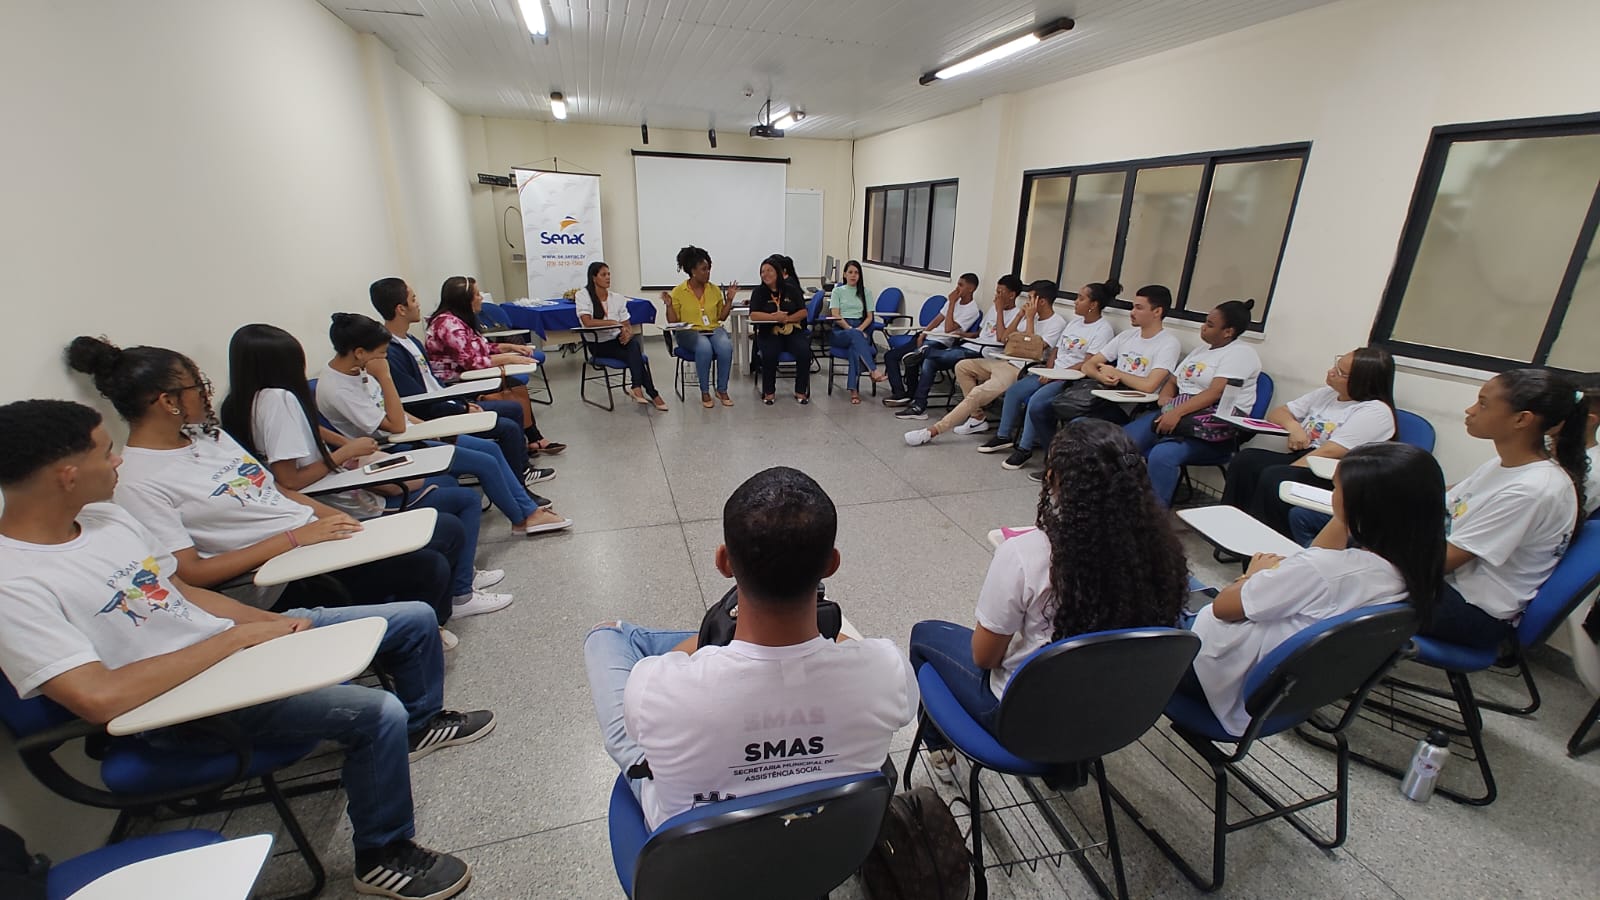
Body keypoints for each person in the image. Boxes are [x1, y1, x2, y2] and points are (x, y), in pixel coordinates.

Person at [0, 399, 493, 900]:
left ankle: (420, 726)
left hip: (227, 647)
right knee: (374, 712)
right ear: (66, 474)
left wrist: (273, 624)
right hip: (180, 707)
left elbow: (184, 596)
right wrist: (233, 641)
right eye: (106, 453)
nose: (119, 462)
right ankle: (382, 854)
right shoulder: (13, 582)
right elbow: (97, 698)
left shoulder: (106, 519)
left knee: (410, 619)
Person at [66, 335, 509, 631]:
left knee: (440, 529)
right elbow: (193, 573)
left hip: (314, 535)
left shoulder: (209, 437)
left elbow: (275, 490)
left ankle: (421, 622)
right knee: (433, 554)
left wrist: (331, 515)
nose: (203, 393)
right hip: (282, 570)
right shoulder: (138, 480)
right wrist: (300, 535)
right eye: (193, 387)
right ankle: (410, 633)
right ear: (167, 402)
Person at [582, 466, 917, 829]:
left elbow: (642, 709)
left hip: (697, 861)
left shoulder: (655, 687)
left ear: (724, 562)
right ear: (831, 565)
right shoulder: (888, 671)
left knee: (610, 637)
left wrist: (714, 638)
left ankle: (723, 631)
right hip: (824, 845)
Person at [906, 419, 1189, 764]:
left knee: (925, 636)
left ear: (1055, 480)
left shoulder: (1028, 554)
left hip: (1023, 722)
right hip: (1110, 718)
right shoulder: (1164, 549)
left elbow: (985, 658)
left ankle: (939, 747)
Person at [1185, 442, 1445, 737]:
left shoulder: (1323, 570)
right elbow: (1321, 562)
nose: (1331, 495)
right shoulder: (1410, 571)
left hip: (1209, 673)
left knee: (1167, 579)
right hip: (1278, 695)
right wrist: (1347, 512)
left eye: (1336, 489)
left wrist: (1251, 575)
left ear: (1362, 504)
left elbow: (1223, 608)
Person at [312, 314, 573, 536]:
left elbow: (399, 415)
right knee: (484, 461)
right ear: (360, 353)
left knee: (490, 451)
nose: (384, 359)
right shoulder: (337, 388)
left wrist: (429, 429)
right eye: (381, 354)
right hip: (389, 450)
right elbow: (394, 426)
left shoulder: (354, 371)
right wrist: (385, 376)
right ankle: (523, 518)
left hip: (411, 435)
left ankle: (526, 512)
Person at [1418, 369, 1586, 649]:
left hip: (1471, 610)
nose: (1470, 410)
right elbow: (1441, 503)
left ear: (1522, 419)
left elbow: (1440, 562)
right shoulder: (1503, 465)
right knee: (1334, 548)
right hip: (1448, 583)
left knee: (1342, 579)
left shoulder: (1532, 490)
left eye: (1483, 404)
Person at [371, 276, 559, 486]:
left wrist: (509, 348)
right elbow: (422, 399)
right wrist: (461, 407)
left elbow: (476, 352)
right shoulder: (396, 350)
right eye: (413, 299)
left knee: (514, 405)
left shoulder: (412, 340)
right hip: (445, 400)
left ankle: (522, 464)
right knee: (509, 419)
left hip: (447, 397)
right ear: (401, 309)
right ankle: (520, 471)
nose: (419, 303)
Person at [1223, 347, 1395, 536]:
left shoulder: (1375, 412)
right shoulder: (1326, 394)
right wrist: (1294, 428)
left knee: (1275, 477)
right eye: (1336, 366)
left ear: (1363, 382)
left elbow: (1331, 452)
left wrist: (1291, 470)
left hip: (1335, 474)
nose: (1331, 372)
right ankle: (1231, 525)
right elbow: (1278, 413)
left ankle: (1266, 541)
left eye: (1340, 372)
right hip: (1307, 457)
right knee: (1246, 460)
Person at [1123, 300, 1262, 506]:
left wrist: (1176, 413)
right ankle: (1118, 502)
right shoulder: (1201, 351)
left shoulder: (1241, 354)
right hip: (1180, 412)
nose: (1203, 327)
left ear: (1228, 332)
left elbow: (1215, 393)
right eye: (1205, 322)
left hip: (1213, 425)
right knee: (1122, 441)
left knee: (1163, 455)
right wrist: (1166, 399)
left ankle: (1153, 518)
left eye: (1210, 324)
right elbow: (1172, 380)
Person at [904, 280, 1067, 446]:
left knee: (976, 394)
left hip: (1021, 369)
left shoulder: (1056, 323)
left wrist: (1030, 319)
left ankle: (932, 431)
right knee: (963, 366)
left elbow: (1031, 349)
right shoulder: (1027, 317)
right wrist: (1020, 317)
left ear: (1042, 301)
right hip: (1004, 361)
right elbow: (1004, 338)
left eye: (1030, 298)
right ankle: (977, 417)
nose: (1027, 303)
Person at [982, 280, 1118, 470]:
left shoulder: (1103, 330)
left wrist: (1057, 375)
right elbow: (1056, 350)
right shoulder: (1075, 323)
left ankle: (1024, 448)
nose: (1075, 302)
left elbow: (1088, 363)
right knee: (1014, 391)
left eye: (1080, 298)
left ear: (1093, 304)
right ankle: (1003, 436)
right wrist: (1049, 368)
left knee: (1035, 401)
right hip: (1052, 371)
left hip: (1071, 378)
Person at [424, 275, 565, 457]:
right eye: (477, 294)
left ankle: (533, 439)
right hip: (455, 384)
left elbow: (479, 347)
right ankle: (531, 440)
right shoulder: (448, 324)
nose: (481, 298)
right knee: (512, 386)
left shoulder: (458, 320)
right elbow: (472, 362)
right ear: (464, 300)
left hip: (468, 376)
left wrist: (508, 347)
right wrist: (509, 358)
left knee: (516, 384)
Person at [896, 275, 1025, 421]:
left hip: (985, 353)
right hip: (972, 345)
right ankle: (919, 406)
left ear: (1012, 295)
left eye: (1000, 292)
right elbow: (981, 333)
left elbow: (1001, 339)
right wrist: (965, 334)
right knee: (930, 362)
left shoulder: (1017, 316)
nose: (997, 296)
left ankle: (925, 352)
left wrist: (1000, 311)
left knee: (935, 355)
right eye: (996, 292)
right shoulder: (993, 309)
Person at [882, 273, 983, 407]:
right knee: (891, 356)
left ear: (971, 288)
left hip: (941, 342)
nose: (957, 288)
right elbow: (937, 319)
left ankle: (912, 390)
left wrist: (952, 302)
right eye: (957, 284)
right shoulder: (953, 301)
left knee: (913, 359)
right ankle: (900, 393)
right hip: (928, 336)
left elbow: (948, 329)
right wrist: (923, 334)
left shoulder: (972, 310)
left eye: (961, 285)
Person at [578, 261, 668, 411]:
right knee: (636, 355)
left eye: (609, 274)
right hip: (598, 345)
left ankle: (637, 387)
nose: (608, 277)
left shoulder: (617, 298)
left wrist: (627, 333)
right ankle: (652, 393)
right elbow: (587, 322)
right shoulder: (583, 296)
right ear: (594, 278)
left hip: (617, 341)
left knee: (633, 345)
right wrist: (613, 323)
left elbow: (626, 324)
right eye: (603, 275)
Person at [660, 245, 737, 408]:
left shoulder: (714, 290)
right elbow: (673, 322)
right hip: (689, 332)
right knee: (704, 348)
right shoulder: (679, 292)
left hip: (712, 329)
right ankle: (705, 391)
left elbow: (721, 317)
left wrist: (729, 300)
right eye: (704, 269)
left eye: (709, 268)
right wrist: (668, 305)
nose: (708, 272)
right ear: (693, 271)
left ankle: (721, 389)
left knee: (725, 347)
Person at [750, 253, 813, 405]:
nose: (765, 274)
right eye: (762, 271)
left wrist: (787, 318)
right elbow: (754, 315)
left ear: (778, 272)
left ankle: (800, 391)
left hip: (792, 330)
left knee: (804, 352)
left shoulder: (791, 289)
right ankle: (769, 392)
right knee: (770, 353)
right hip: (769, 332)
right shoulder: (758, 292)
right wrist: (774, 317)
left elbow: (803, 312)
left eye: (769, 270)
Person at [826, 260, 887, 404]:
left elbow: (869, 317)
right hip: (841, 330)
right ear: (845, 274)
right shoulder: (837, 291)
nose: (853, 276)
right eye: (850, 272)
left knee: (855, 349)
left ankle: (854, 391)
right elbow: (835, 315)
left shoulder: (866, 292)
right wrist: (852, 330)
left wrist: (859, 330)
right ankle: (873, 370)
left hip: (860, 328)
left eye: (856, 273)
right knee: (856, 338)